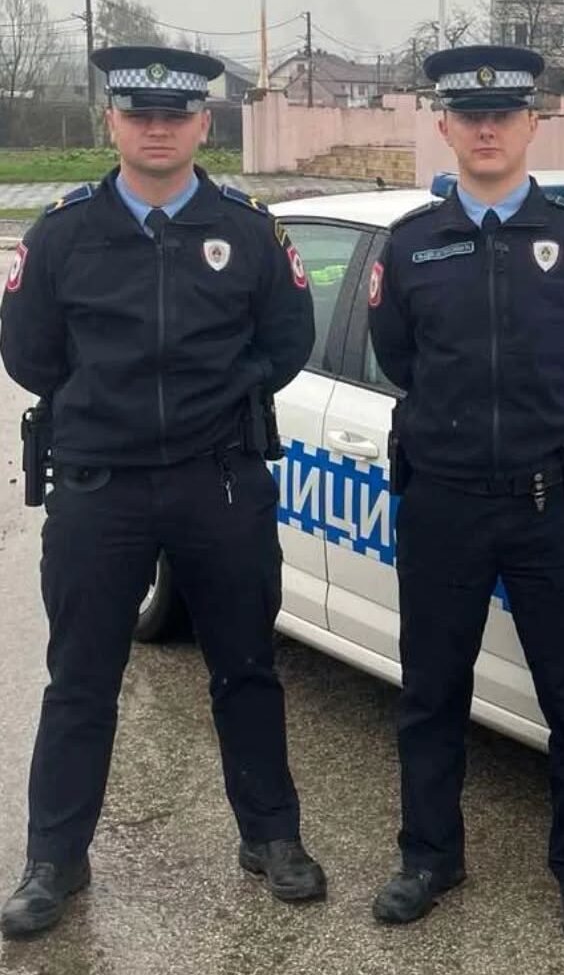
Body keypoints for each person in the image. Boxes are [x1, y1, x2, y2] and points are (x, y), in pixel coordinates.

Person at [0, 46, 326, 940]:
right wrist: (105, 409)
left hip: (218, 481)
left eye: (174, 114)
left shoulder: (251, 230)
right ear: (112, 120)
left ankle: (272, 836)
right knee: (80, 680)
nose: (156, 127)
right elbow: (28, 355)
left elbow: (286, 339)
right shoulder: (63, 232)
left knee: (248, 669)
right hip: (99, 488)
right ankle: (54, 859)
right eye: (138, 112)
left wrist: (218, 396)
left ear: (201, 124)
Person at [367, 45, 564, 939]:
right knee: (431, 691)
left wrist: (560, 421)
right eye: (469, 115)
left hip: (551, 505)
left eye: (505, 114)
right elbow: (398, 356)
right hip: (444, 504)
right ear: (444, 126)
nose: (486, 129)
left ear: (533, 123)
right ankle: (429, 856)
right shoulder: (411, 243)